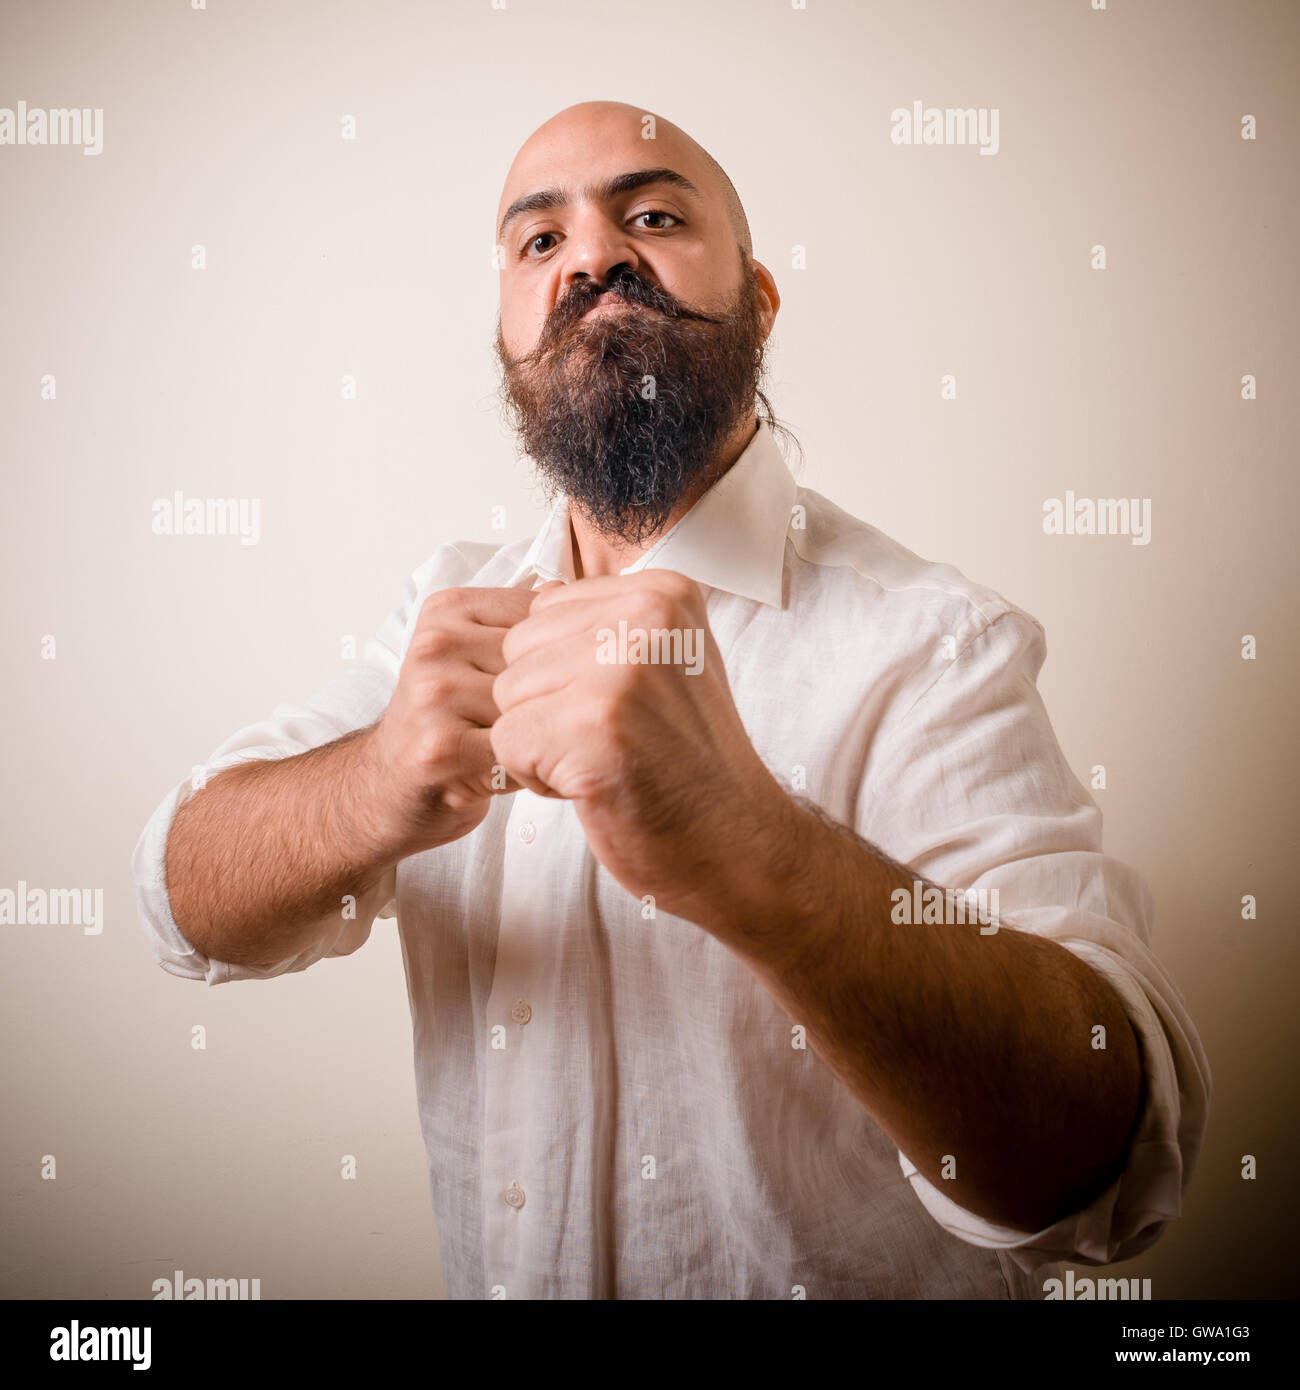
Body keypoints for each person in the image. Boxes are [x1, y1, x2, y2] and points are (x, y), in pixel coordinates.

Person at [132, 100, 1209, 1299]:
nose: (592, 256)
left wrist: (755, 852)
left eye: (650, 215)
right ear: (506, 340)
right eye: (539, 242)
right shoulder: (443, 608)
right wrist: (375, 780)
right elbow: (179, 904)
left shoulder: (935, 646)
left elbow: (1102, 1169)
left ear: (759, 299)